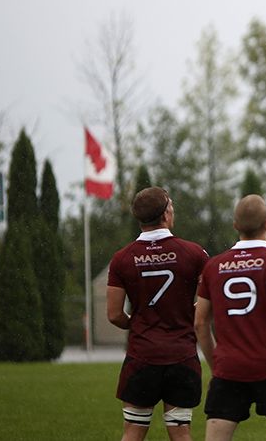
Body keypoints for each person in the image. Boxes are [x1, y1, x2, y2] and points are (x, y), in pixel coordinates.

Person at [194, 195, 266, 441]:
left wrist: (217, 367)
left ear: (235, 225)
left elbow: (200, 322)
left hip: (229, 369)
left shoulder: (213, 266)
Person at [106, 187, 209, 441]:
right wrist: (191, 314)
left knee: (132, 432)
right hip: (181, 355)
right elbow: (212, 300)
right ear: (165, 214)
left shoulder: (121, 259)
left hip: (142, 356)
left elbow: (114, 314)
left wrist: (140, 323)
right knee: (181, 432)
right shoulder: (194, 253)